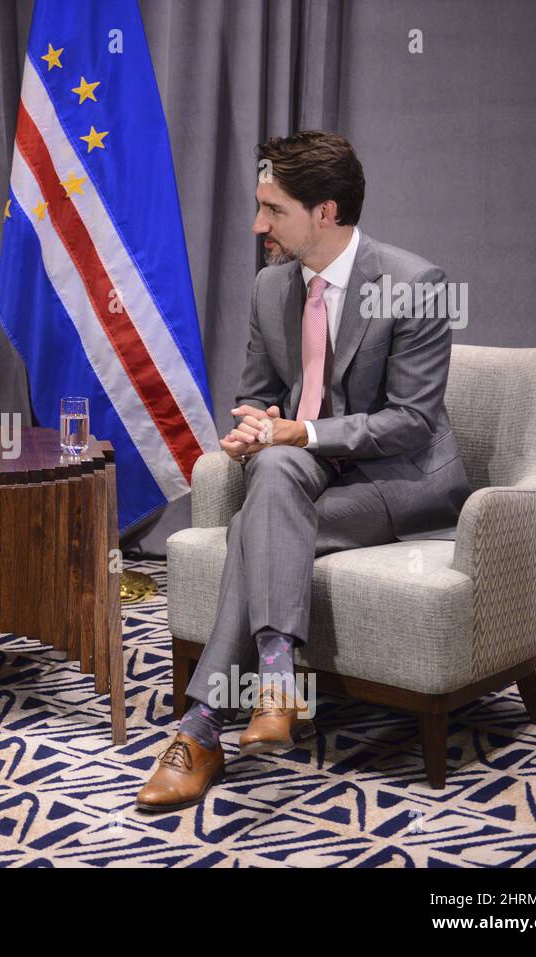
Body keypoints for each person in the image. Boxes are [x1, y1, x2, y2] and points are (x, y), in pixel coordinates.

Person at [136, 132, 470, 813]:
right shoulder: (270, 287)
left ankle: (200, 728)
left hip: (396, 483)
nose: (258, 224)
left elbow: (410, 420)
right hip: (304, 478)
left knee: (256, 517)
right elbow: (259, 391)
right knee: (276, 474)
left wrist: (303, 430)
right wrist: (253, 428)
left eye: (273, 209)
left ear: (326, 212)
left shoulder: (415, 286)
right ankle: (278, 681)